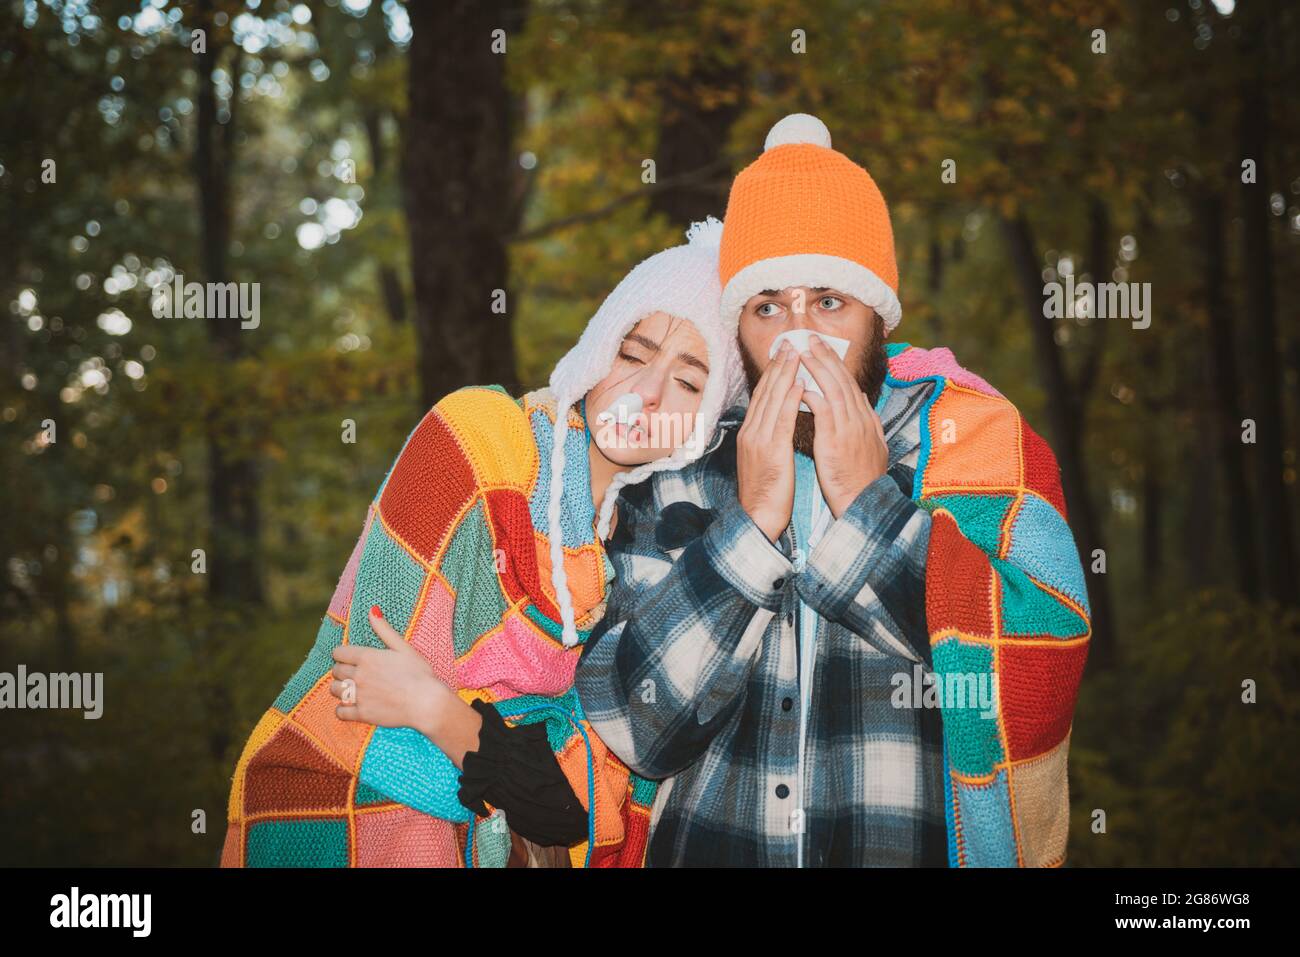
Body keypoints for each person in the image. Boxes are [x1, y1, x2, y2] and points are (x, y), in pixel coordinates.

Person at [575, 114, 1092, 867]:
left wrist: (870, 504)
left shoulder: (975, 447)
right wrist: (746, 533)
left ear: (876, 317)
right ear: (739, 329)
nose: (799, 339)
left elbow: (1040, 665)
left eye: (827, 302)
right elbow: (630, 729)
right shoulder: (678, 466)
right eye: (767, 307)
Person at [221, 218, 745, 867]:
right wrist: (497, 761)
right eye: (632, 353)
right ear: (596, 346)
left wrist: (440, 711)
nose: (645, 392)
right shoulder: (478, 440)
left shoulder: (650, 559)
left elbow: (573, 808)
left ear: (707, 420)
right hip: (327, 807)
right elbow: (359, 689)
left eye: (690, 382)